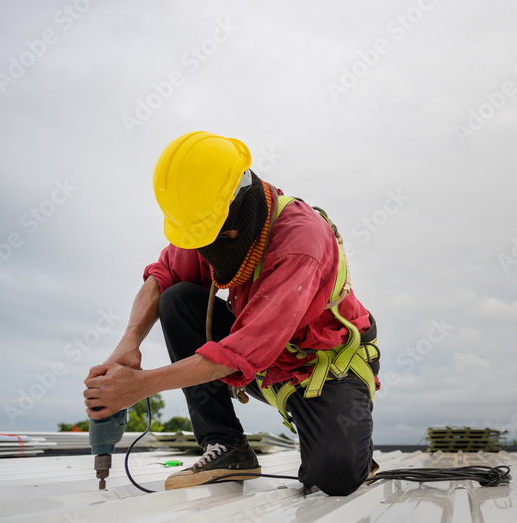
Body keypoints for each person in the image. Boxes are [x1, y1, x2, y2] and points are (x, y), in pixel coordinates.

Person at [84, 131, 380, 495]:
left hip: (324, 364)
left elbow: (242, 352)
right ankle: (226, 446)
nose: (204, 249)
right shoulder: (211, 221)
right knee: (177, 299)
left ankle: (350, 450)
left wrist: (140, 387)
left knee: (334, 475)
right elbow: (161, 278)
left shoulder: (299, 244)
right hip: (265, 362)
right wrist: (127, 344)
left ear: (234, 216)